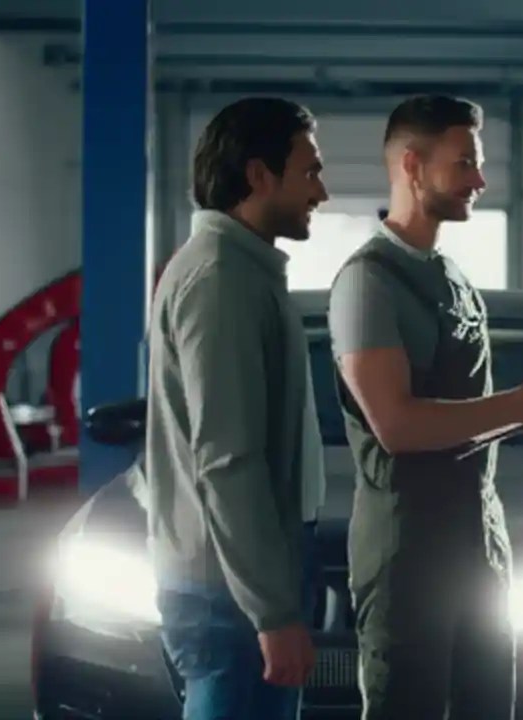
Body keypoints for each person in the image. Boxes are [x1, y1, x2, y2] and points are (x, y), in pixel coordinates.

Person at [327, 94, 523, 720]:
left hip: (479, 539)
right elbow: (398, 425)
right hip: (407, 551)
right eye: (465, 162)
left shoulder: (455, 278)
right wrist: (520, 406)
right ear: (412, 165)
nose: (480, 179)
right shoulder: (367, 283)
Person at [145, 97, 330, 720]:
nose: (321, 192)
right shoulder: (220, 279)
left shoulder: (243, 271)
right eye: (309, 171)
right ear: (258, 176)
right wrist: (273, 612)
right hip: (225, 589)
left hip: (240, 578)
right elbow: (226, 457)